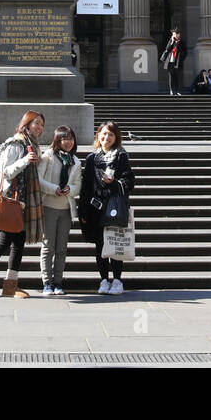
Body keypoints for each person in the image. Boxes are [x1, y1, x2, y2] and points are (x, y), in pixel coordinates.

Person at [0, 111, 45, 299]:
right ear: (27, 124)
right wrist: (25, 161)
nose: (39, 127)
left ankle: (11, 284)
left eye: (42, 125)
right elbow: (6, 171)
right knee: (4, 241)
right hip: (10, 199)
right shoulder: (15, 143)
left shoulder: (33, 145)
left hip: (24, 200)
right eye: (36, 123)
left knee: (18, 244)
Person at [78, 121, 136, 295]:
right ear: (98, 136)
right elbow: (86, 186)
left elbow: (129, 181)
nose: (106, 138)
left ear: (116, 137)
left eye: (110, 134)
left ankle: (117, 280)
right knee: (100, 246)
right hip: (96, 208)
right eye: (103, 134)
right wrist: (83, 211)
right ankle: (104, 279)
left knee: (115, 243)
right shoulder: (91, 158)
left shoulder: (121, 156)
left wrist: (114, 184)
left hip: (114, 207)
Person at [37, 125, 82, 295]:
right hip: (48, 206)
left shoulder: (75, 161)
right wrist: (54, 188)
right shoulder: (48, 156)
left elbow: (78, 185)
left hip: (66, 209)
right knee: (48, 246)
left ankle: (58, 282)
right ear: (58, 140)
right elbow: (38, 180)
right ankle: (47, 282)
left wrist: (70, 189)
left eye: (71, 139)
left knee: (62, 248)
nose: (68, 142)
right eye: (65, 138)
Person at [161, 28, 186, 95]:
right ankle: (171, 90)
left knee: (177, 76)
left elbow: (185, 52)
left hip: (177, 61)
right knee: (171, 76)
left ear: (178, 34)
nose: (174, 35)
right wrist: (172, 42)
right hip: (170, 61)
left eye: (175, 34)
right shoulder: (170, 41)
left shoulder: (182, 42)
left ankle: (177, 91)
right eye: (173, 34)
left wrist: (181, 59)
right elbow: (167, 49)